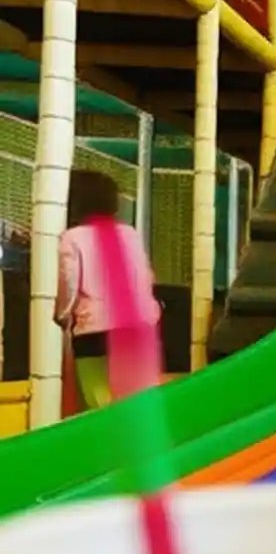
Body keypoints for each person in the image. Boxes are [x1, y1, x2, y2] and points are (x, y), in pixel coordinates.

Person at [55, 170, 162, 411]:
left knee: (99, 402)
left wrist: (63, 315)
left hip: (95, 330)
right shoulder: (130, 234)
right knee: (139, 401)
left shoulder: (72, 238)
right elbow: (146, 277)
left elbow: (69, 284)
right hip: (138, 325)